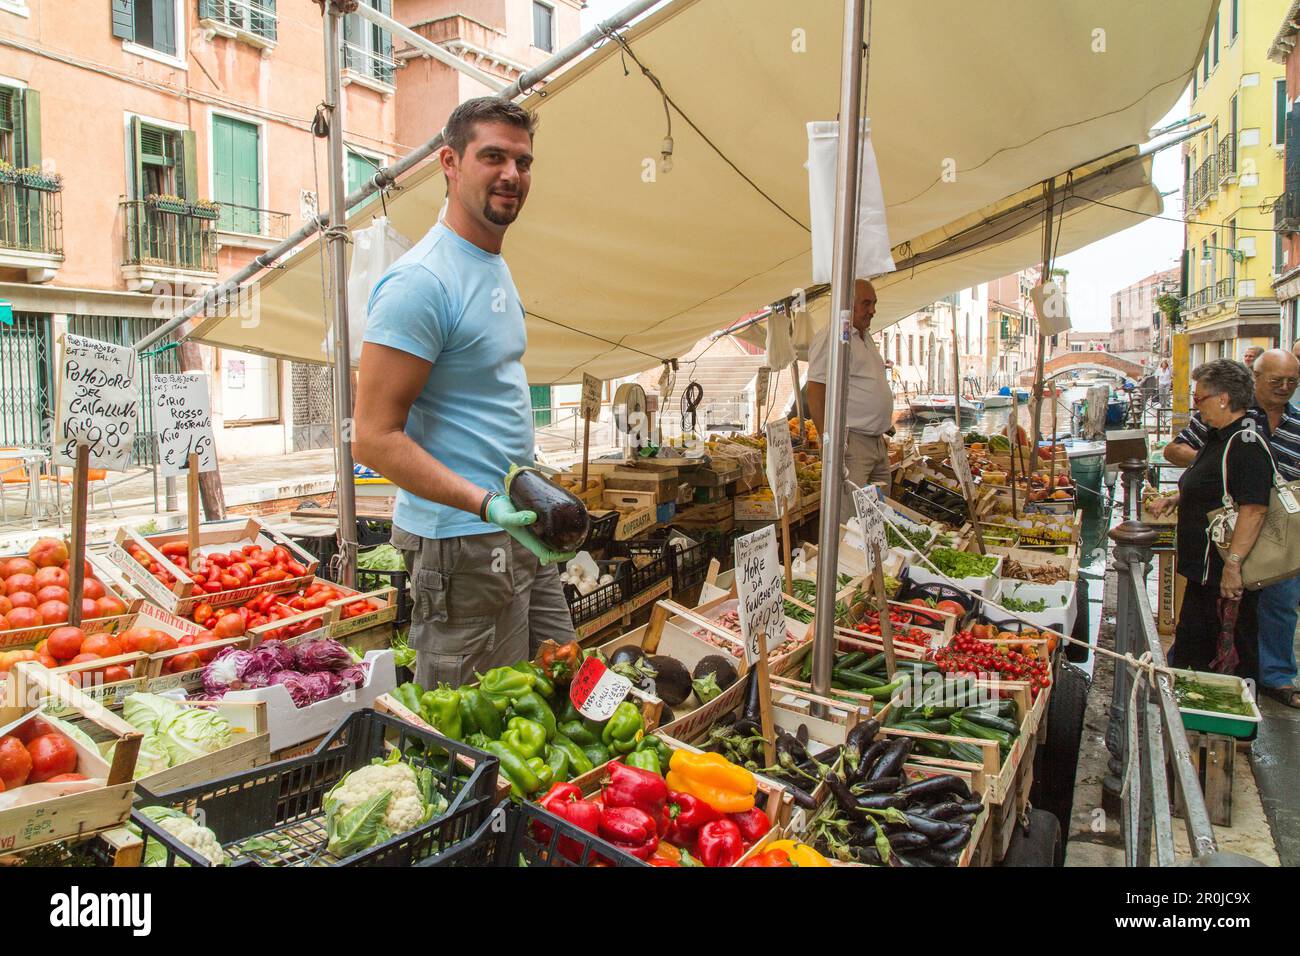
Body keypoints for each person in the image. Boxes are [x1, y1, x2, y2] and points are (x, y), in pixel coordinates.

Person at [353, 97, 577, 689]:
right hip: (461, 544)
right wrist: (484, 503)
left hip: (522, 530)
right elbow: (373, 439)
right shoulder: (420, 283)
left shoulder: (490, 262)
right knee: (475, 724)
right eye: (493, 157)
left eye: (523, 162)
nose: (512, 174)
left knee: (567, 691)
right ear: (450, 163)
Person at [1148, 360, 1272, 680]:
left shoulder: (1245, 443)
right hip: (1204, 574)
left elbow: (1254, 508)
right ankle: (1190, 715)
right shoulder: (1218, 437)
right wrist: (1176, 498)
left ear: (1223, 398)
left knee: (1226, 655)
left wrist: (1233, 565)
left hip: (1222, 577)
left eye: (1199, 398)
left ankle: (1224, 723)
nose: (1196, 406)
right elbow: (1215, 487)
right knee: (1192, 651)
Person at [806, 279, 894, 520]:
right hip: (851, 443)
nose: (873, 310)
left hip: (875, 442)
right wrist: (829, 442)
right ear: (847, 304)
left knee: (879, 516)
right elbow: (815, 388)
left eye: (874, 303)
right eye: (866, 303)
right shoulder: (833, 336)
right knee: (851, 518)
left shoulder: (864, 337)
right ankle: (851, 557)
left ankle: (877, 558)